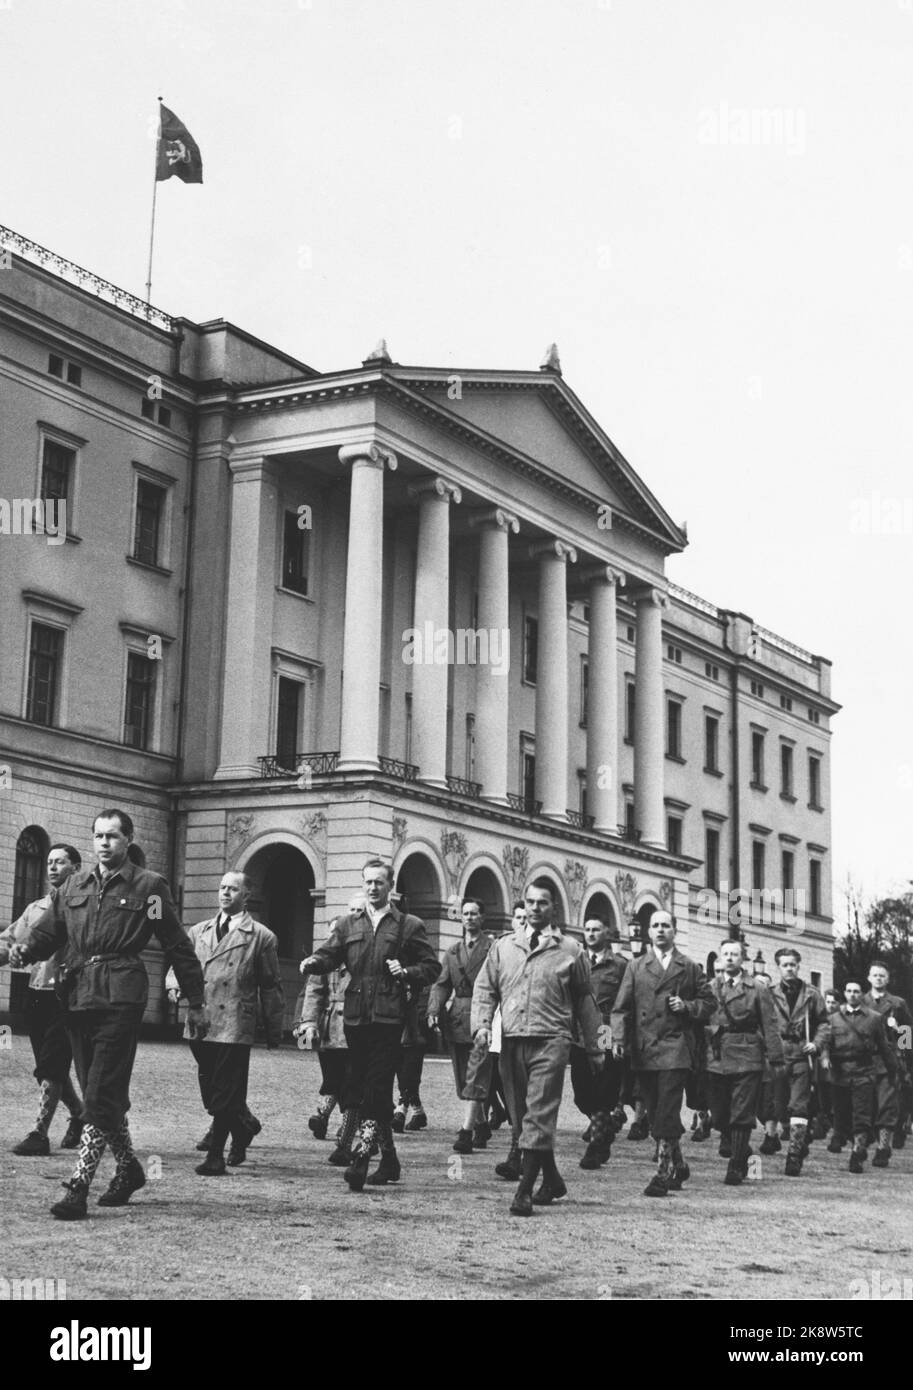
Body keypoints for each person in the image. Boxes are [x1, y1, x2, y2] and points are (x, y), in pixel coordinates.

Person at [12, 808, 206, 1220]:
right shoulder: (74, 886)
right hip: (78, 995)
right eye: (98, 836)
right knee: (100, 1089)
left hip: (122, 994)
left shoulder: (149, 888)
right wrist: (18, 950)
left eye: (113, 836)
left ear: (128, 840)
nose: (104, 843)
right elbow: (48, 934)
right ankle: (130, 1169)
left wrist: (196, 1000)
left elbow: (175, 943)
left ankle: (78, 1186)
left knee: (98, 1092)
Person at [299, 860, 440, 1192]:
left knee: (377, 1085)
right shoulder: (349, 924)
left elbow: (431, 967)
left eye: (379, 882)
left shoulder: (408, 925)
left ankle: (361, 1156)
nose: (373, 888)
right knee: (362, 1085)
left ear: (391, 886)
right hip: (356, 1016)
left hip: (391, 1018)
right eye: (368, 882)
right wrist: (313, 962)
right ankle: (389, 1159)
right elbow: (329, 955)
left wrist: (406, 972)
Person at [471, 879, 603, 1217]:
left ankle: (524, 1190)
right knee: (521, 1116)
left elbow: (588, 1002)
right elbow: (484, 989)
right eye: (530, 902)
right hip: (512, 1040)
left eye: (542, 902)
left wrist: (597, 1046)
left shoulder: (571, 950)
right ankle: (553, 1180)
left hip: (552, 1040)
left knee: (540, 1113)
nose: (535, 908)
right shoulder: (503, 947)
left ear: (553, 907)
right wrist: (482, 1025)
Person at [167, 872, 284, 1176]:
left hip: (234, 1019)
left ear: (247, 895)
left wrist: (274, 1028)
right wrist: (172, 985)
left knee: (225, 1086)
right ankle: (243, 1125)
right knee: (211, 1086)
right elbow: (182, 962)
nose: (226, 893)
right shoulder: (198, 931)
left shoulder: (261, 936)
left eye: (233, 889)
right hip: (200, 1017)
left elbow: (270, 985)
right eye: (223, 888)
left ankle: (216, 1154)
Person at [611, 910, 717, 1197]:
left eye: (665, 926)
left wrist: (687, 1006)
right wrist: (618, 1039)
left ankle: (661, 1173)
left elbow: (709, 1003)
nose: (660, 930)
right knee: (656, 1110)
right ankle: (680, 1165)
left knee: (668, 1109)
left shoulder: (690, 966)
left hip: (676, 1046)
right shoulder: (635, 966)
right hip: (645, 1049)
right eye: (655, 926)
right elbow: (621, 1008)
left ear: (675, 930)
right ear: (649, 932)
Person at [0, 844, 84, 1155]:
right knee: (50, 1067)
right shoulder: (35, 909)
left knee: (52, 1064)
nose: (51, 868)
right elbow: (10, 940)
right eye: (49, 862)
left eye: (60, 862)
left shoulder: (83, 908)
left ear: (75, 868)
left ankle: (39, 1133)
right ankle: (79, 1114)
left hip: (69, 995)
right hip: (37, 995)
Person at [705, 940, 784, 1185]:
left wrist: (776, 1057)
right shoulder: (710, 988)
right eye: (725, 954)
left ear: (743, 959)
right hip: (716, 1055)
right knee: (718, 1113)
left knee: (741, 1112)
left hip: (747, 1053)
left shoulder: (758, 989)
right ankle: (742, 1149)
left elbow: (770, 1025)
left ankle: (737, 1165)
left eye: (735, 954)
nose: (730, 958)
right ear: (720, 958)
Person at [429, 897, 495, 1154]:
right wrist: (434, 1009)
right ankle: (481, 1124)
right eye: (465, 913)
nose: (469, 917)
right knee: (461, 1077)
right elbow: (442, 983)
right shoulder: (453, 951)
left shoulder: (492, 948)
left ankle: (466, 1131)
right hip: (457, 1018)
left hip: (483, 1017)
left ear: (482, 918)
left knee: (477, 1073)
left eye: (474, 913)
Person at [821, 980, 896, 1173]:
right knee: (841, 1111)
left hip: (864, 1071)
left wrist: (894, 1070)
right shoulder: (833, 1019)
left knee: (861, 1114)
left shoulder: (874, 1018)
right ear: (844, 994)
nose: (852, 994)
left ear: (861, 994)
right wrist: (825, 1057)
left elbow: (884, 1046)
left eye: (856, 991)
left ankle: (857, 1153)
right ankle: (845, 1139)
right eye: (848, 991)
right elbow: (826, 1043)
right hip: (840, 1072)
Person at [767, 947, 828, 1176]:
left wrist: (817, 1043)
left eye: (793, 964)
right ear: (778, 967)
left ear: (798, 966)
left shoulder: (811, 994)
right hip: (778, 1053)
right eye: (785, 965)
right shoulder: (770, 993)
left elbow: (823, 1022)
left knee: (799, 1104)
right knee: (780, 1106)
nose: (789, 968)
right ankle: (800, 1141)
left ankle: (793, 1156)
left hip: (802, 1052)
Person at [573, 915, 627, 1169]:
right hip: (580, 1031)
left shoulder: (619, 966)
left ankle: (596, 1144)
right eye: (588, 929)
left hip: (606, 1028)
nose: (591, 933)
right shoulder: (576, 961)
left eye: (597, 929)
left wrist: (620, 1036)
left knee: (605, 1086)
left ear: (607, 933)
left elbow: (626, 1003)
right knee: (582, 1093)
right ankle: (605, 1126)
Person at [862, 961, 913, 1166]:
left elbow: (907, 1032)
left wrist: (905, 1055)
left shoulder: (897, 1004)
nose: (878, 979)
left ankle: (884, 1147)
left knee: (887, 1104)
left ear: (888, 979)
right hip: (864, 1059)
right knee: (866, 1104)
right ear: (869, 978)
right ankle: (865, 1141)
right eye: (875, 975)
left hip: (889, 1060)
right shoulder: (861, 1000)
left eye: (882, 975)